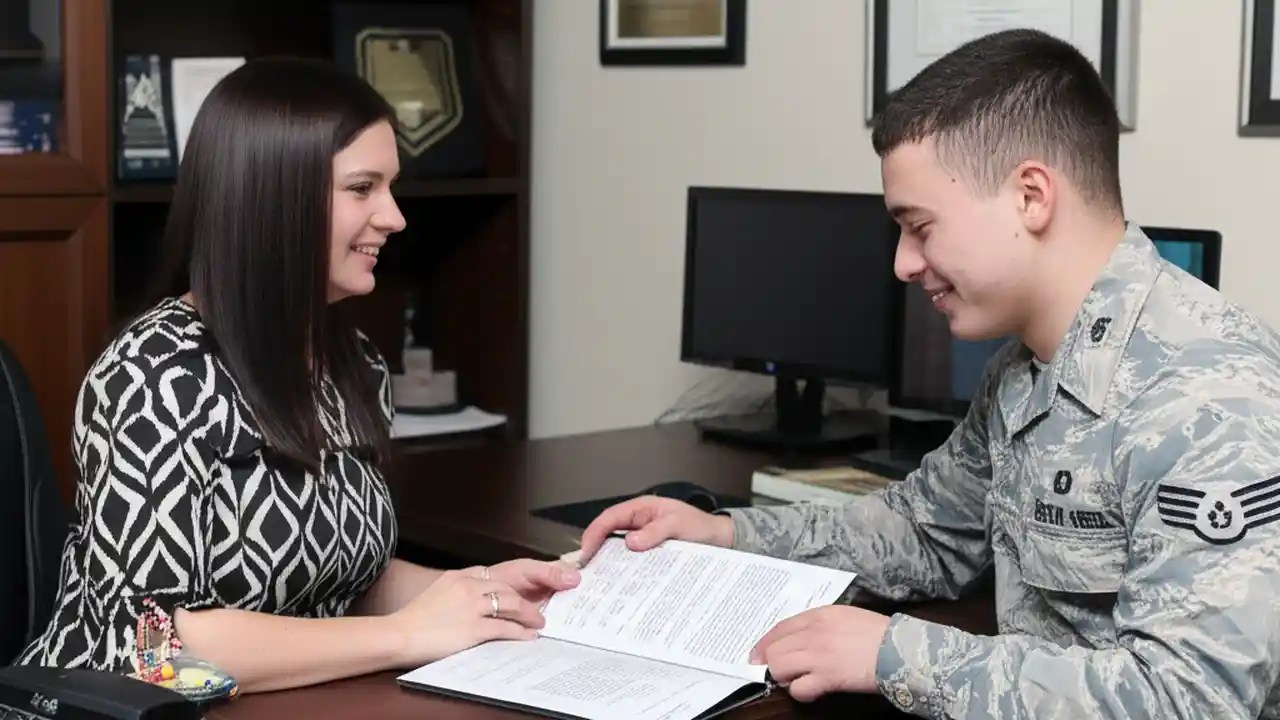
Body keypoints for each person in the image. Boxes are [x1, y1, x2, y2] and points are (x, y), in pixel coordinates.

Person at [580, 29, 1280, 718]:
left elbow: (1190, 699)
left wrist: (893, 654)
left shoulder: (1212, 395)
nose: (903, 264)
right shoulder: (1023, 372)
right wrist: (725, 535)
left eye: (920, 226)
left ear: (1031, 197)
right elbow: (923, 531)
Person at [17, 57, 579, 693]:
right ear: (272, 196)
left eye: (390, 187)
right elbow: (152, 651)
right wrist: (410, 633)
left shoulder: (355, 362)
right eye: (363, 188)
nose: (394, 217)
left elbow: (343, 579)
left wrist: (480, 591)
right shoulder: (153, 375)